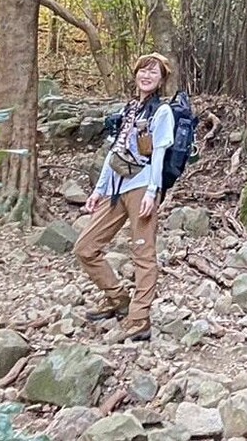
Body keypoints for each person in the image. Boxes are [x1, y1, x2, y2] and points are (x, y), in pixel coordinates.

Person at [74, 53, 175, 342]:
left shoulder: (162, 113)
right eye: (143, 70)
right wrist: (98, 190)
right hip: (117, 188)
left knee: (143, 255)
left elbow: (158, 155)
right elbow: (114, 152)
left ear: (161, 80)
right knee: (85, 247)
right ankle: (117, 298)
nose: (146, 75)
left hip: (143, 186)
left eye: (153, 72)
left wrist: (152, 193)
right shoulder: (129, 109)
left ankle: (139, 318)